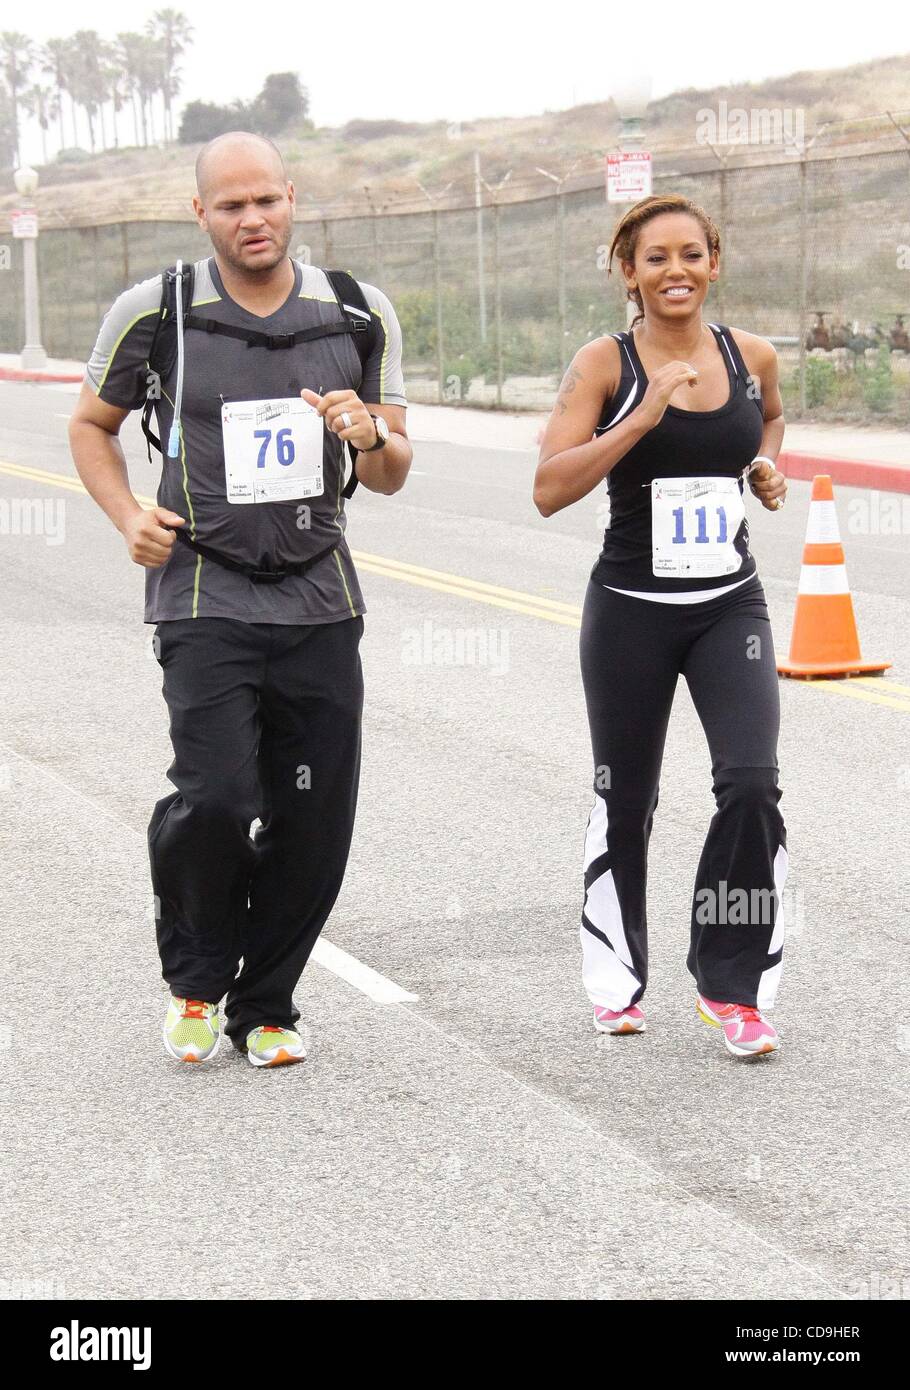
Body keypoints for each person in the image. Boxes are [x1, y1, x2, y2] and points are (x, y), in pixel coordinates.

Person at [69, 131, 411, 1068]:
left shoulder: (357, 310)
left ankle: (267, 1007)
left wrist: (368, 428)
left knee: (314, 812)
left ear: (292, 198)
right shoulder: (160, 310)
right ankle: (194, 976)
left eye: (266, 200)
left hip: (319, 595)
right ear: (200, 213)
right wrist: (124, 513)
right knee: (217, 796)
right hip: (202, 589)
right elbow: (92, 426)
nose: (252, 220)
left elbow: (391, 473)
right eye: (231, 205)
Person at [533, 193, 789, 1059]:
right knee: (626, 796)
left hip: (730, 606)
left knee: (751, 782)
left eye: (690, 255)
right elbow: (549, 487)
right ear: (629, 272)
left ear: (714, 263)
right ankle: (617, 981)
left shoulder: (750, 354)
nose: (673, 271)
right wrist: (641, 418)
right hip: (631, 612)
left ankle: (732, 987)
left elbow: (771, 419)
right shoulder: (601, 364)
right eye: (654, 259)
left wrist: (763, 465)